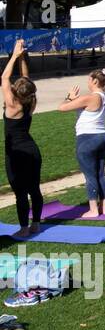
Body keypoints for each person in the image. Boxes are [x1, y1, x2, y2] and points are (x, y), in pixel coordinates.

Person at [2, 40, 43, 236]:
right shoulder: (30, 102)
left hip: (16, 154)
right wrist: (22, 57)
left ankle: (24, 229)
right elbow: (26, 79)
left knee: (20, 193)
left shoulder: (12, 104)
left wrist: (15, 55)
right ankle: (35, 224)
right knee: (34, 189)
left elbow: (4, 77)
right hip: (32, 150)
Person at [60, 68, 105, 216]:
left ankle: (94, 209)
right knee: (101, 173)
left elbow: (62, 108)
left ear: (95, 81)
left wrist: (70, 98)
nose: (87, 82)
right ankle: (104, 207)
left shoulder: (91, 97)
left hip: (87, 138)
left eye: (89, 79)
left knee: (90, 175)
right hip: (103, 136)